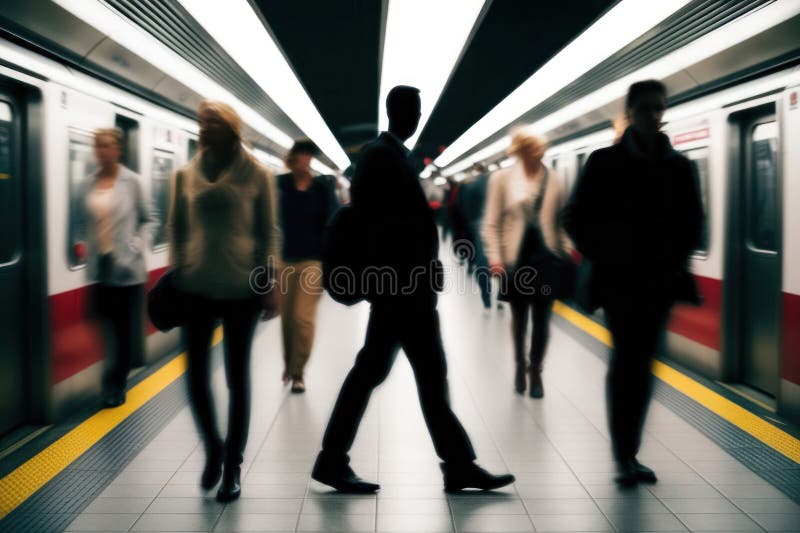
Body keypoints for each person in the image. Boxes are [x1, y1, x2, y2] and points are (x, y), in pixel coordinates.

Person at [311, 85, 515, 494]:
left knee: (384, 372)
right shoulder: (383, 156)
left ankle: (335, 459)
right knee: (413, 374)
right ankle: (454, 464)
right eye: (413, 109)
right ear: (397, 111)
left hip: (403, 288)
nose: (417, 116)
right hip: (402, 289)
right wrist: (413, 272)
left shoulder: (388, 155)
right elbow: (385, 225)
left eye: (418, 110)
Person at [564, 80, 702, 486]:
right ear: (630, 112)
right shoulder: (603, 161)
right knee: (627, 362)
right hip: (619, 282)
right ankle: (625, 455)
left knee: (642, 367)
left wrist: (672, 259)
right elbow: (574, 217)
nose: (652, 115)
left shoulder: (680, 166)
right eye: (645, 108)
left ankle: (630, 452)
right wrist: (605, 252)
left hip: (658, 283)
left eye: (659, 108)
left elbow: (694, 223)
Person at [167, 100, 280, 502]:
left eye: (211, 122)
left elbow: (268, 232)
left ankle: (233, 463)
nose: (203, 128)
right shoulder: (184, 175)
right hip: (196, 286)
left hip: (242, 289)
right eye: (201, 121)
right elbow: (176, 229)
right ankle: (213, 447)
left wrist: (270, 282)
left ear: (231, 128)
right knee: (195, 376)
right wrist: (177, 272)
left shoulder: (257, 174)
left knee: (237, 378)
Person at [482, 131, 571, 398]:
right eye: (532, 149)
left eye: (541, 148)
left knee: (542, 319)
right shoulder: (502, 179)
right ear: (520, 152)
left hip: (545, 262)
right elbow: (492, 222)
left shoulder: (554, 179)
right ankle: (519, 365)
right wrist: (495, 258)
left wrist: (565, 251)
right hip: (515, 263)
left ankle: (536, 370)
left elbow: (560, 220)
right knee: (519, 318)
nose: (539, 153)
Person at [79, 128, 155, 408]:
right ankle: (113, 373)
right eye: (98, 146)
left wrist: (136, 245)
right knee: (103, 324)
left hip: (127, 269)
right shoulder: (87, 183)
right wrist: (83, 245)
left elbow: (149, 219)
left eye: (107, 146)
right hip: (100, 267)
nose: (102, 151)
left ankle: (115, 384)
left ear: (118, 149)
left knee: (122, 330)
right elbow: (80, 221)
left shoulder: (132, 182)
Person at [276, 139, 337, 393]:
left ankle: (299, 372)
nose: (305, 160)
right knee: (287, 321)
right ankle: (289, 365)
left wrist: (332, 266)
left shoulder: (322, 187)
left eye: (309, 156)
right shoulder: (279, 184)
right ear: (293, 157)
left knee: (303, 319)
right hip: (285, 261)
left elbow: (332, 224)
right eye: (301, 155)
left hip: (313, 261)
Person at [455, 163, 492, 309]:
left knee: (481, 261)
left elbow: (464, 208)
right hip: (497, 225)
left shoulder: (471, 186)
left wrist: (468, 226)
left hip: (477, 225)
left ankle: (486, 294)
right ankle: (502, 292)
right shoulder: (495, 183)